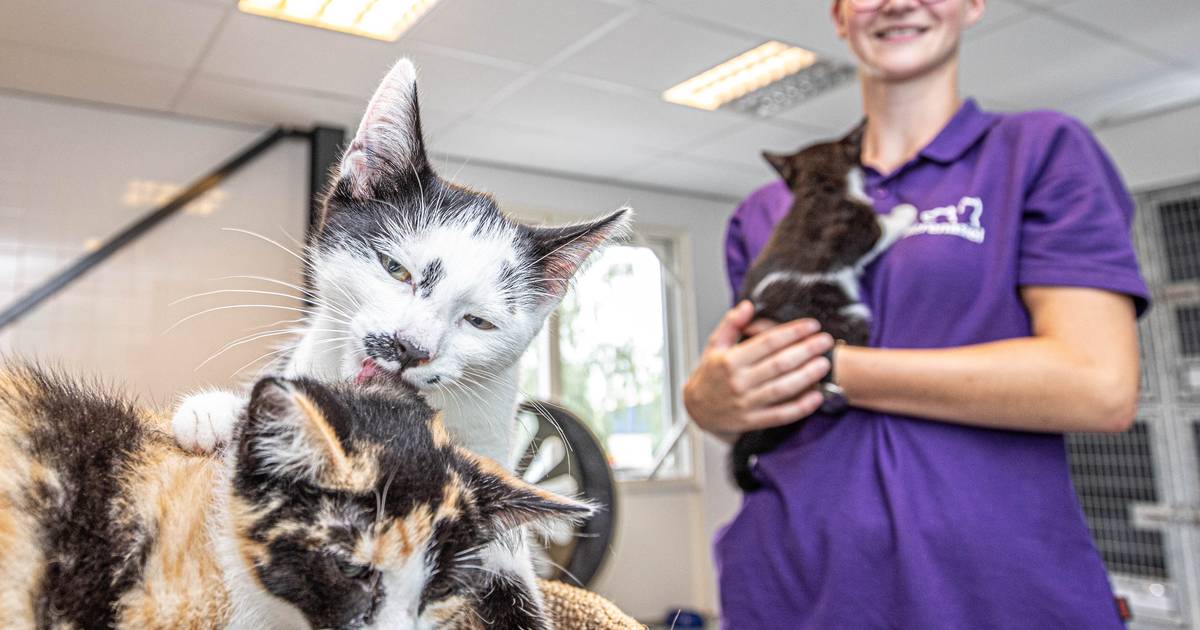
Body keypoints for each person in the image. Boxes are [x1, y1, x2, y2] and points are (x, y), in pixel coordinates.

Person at [682, 0, 1149, 627]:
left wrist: (834, 370)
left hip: (991, 585)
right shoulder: (767, 209)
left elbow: (1098, 386)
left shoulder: (1037, 152)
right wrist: (711, 405)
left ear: (973, 5)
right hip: (798, 581)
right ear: (840, 15)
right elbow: (765, 391)